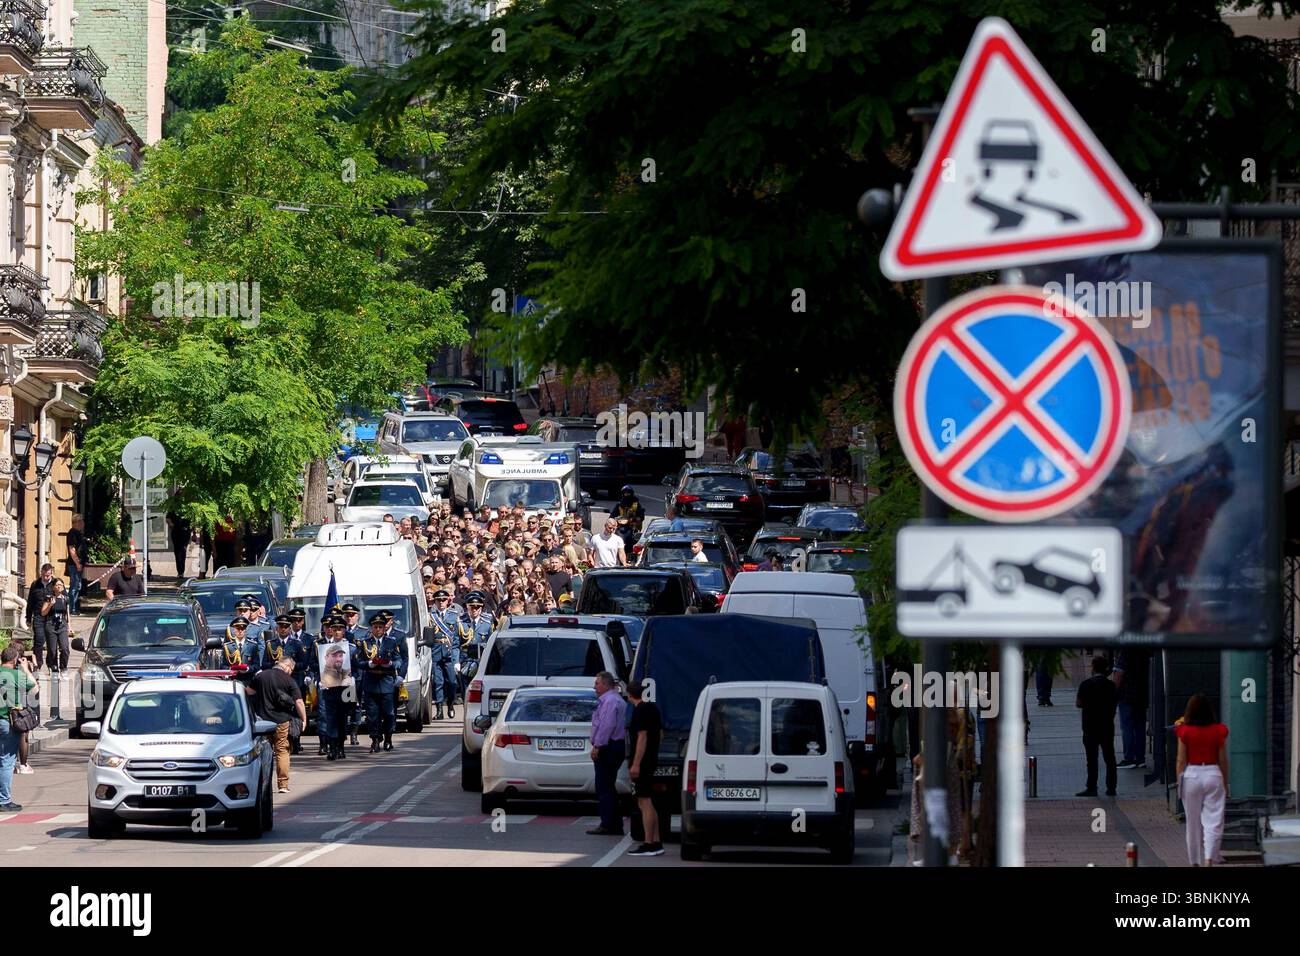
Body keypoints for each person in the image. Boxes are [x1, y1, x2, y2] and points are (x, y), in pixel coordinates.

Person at [1175, 693, 1229, 867]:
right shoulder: (1218, 731)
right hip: (1213, 773)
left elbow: (1181, 760)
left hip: (1191, 774)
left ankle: (1194, 862)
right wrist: (1225, 782)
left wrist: (1179, 781)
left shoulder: (1184, 732)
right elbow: (1222, 759)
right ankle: (1209, 858)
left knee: (1192, 823)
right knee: (1213, 820)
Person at [249, 655, 305, 793]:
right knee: (282, 751)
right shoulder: (289, 680)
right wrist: (304, 719)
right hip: (282, 721)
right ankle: (283, 785)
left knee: (261, 752)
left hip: (262, 723)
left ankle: (262, 785)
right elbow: (298, 702)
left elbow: (248, 692)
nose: (291, 672)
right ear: (287, 666)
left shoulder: (261, 676)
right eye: (291, 669)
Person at [625, 680, 664, 857]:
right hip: (652, 759)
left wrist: (636, 763)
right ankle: (656, 842)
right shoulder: (653, 709)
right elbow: (660, 734)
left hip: (643, 762)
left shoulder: (639, 711)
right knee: (649, 800)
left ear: (629, 694)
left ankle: (648, 843)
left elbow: (642, 738)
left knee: (644, 801)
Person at [357, 613, 406, 752]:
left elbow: (399, 660)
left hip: (386, 681)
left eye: (380, 627)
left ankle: (389, 737)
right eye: (375, 627)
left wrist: (391, 664)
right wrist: (368, 664)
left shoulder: (391, 641)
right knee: (372, 714)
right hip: (371, 681)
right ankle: (375, 740)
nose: (378, 629)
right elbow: (358, 662)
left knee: (389, 713)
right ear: (371, 628)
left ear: (385, 628)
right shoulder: (365, 642)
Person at [587, 670, 626, 836]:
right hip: (614, 746)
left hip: (608, 747)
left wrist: (598, 745)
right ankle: (614, 823)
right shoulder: (614, 699)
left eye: (597, 683)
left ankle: (608, 824)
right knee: (608, 786)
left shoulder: (610, 701)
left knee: (603, 786)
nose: (594, 686)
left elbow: (607, 726)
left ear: (604, 684)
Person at [0, 644, 38, 811]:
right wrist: (25, 669)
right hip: (7, 721)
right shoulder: (16, 674)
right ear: (15, 660)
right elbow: (35, 689)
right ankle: (4, 800)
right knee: (7, 761)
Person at [1075, 655, 1118, 797]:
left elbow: (1078, 703)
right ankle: (1111, 787)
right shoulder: (1111, 685)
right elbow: (1114, 703)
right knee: (1109, 758)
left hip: (1089, 726)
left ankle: (1091, 787)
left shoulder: (1086, 684)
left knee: (1091, 759)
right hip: (1106, 726)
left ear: (1092, 668)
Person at [315, 615, 354, 760]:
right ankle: (331, 747)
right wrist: (318, 679)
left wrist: (353, 678)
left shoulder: (351, 647)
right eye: (335, 628)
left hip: (346, 688)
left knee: (343, 717)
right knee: (330, 717)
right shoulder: (323, 648)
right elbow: (315, 665)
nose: (337, 631)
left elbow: (358, 666)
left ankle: (341, 747)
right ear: (330, 630)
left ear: (344, 631)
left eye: (340, 629)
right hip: (329, 687)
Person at [1114, 649, 1151, 769]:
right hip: (1142, 695)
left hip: (1127, 695)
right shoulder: (1146, 650)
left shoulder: (1125, 651)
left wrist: (1114, 692)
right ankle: (1140, 759)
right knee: (1140, 726)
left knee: (1127, 727)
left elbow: (1119, 674)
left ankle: (1129, 758)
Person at [427, 588, 460, 720]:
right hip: (435, 651)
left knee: (452, 682)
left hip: (449, 652)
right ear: (434, 602)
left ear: (448, 601)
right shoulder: (431, 616)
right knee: (438, 682)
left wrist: (457, 660)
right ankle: (439, 709)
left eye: (443, 600)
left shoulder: (453, 615)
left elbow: (456, 639)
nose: (441, 602)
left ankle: (450, 704)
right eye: (438, 600)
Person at [24, 563, 55, 671]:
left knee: (52, 643)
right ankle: (37, 664)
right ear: (41, 573)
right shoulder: (35, 584)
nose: (46, 578)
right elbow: (30, 603)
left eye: (48, 575)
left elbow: (64, 599)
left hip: (52, 617)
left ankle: (51, 662)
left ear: (52, 574)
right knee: (39, 640)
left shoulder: (56, 583)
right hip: (38, 617)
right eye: (44, 575)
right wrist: (28, 618)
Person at [40, 578, 71, 677]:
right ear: (53, 587)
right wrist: (50, 605)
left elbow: (67, 614)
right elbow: (43, 613)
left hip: (62, 626)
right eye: (57, 585)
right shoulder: (49, 598)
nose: (59, 586)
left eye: (61, 585)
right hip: (50, 625)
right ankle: (54, 668)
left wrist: (69, 626)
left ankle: (63, 668)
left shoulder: (65, 598)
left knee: (65, 648)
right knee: (52, 650)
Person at [65, 514, 85, 614]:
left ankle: (74, 608)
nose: (83, 523)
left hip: (77, 564)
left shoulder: (78, 533)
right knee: (74, 586)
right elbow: (72, 550)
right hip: (74, 565)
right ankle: (72, 609)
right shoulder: (72, 533)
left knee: (78, 586)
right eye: (81, 521)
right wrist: (77, 563)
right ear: (76, 522)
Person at [166, 511, 191, 580]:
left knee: (183, 551)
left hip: (185, 533)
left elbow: (193, 519)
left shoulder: (189, 507)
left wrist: (193, 531)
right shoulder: (173, 507)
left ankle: (182, 571)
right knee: (177, 553)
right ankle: (180, 572)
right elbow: (167, 518)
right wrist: (171, 525)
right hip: (176, 533)